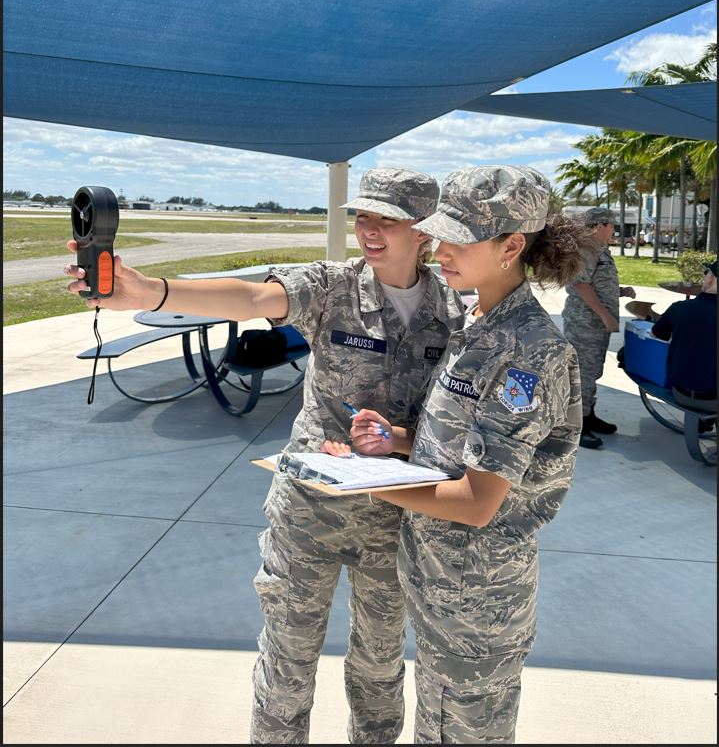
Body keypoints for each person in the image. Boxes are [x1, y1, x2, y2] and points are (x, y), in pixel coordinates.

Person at [65, 167, 464, 745]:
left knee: (380, 670)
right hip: (310, 514)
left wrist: (402, 438)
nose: (371, 231)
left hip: (395, 518)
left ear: (423, 231)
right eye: (364, 217)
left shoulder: (453, 311)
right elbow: (252, 296)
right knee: (287, 666)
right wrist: (151, 290)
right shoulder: (330, 285)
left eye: (390, 220)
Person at [324, 165, 595, 744]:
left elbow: (477, 502)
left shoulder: (529, 351)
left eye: (459, 238)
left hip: (477, 601)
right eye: (440, 233)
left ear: (511, 246)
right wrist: (396, 440)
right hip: (439, 582)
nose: (440, 250)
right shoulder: (477, 320)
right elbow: (459, 443)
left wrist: (356, 479)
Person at [560, 207, 636, 449]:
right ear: (598, 226)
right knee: (581, 374)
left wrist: (620, 291)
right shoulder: (584, 250)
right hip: (585, 324)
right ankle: (575, 428)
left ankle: (588, 416)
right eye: (611, 225)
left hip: (595, 326)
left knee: (592, 373)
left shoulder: (600, 250)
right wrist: (605, 316)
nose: (614, 229)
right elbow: (580, 285)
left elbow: (596, 283)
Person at [651, 259, 717, 412]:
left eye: (706, 273)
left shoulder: (680, 308)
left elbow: (655, 334)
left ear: (710, 279)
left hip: (682, 393)